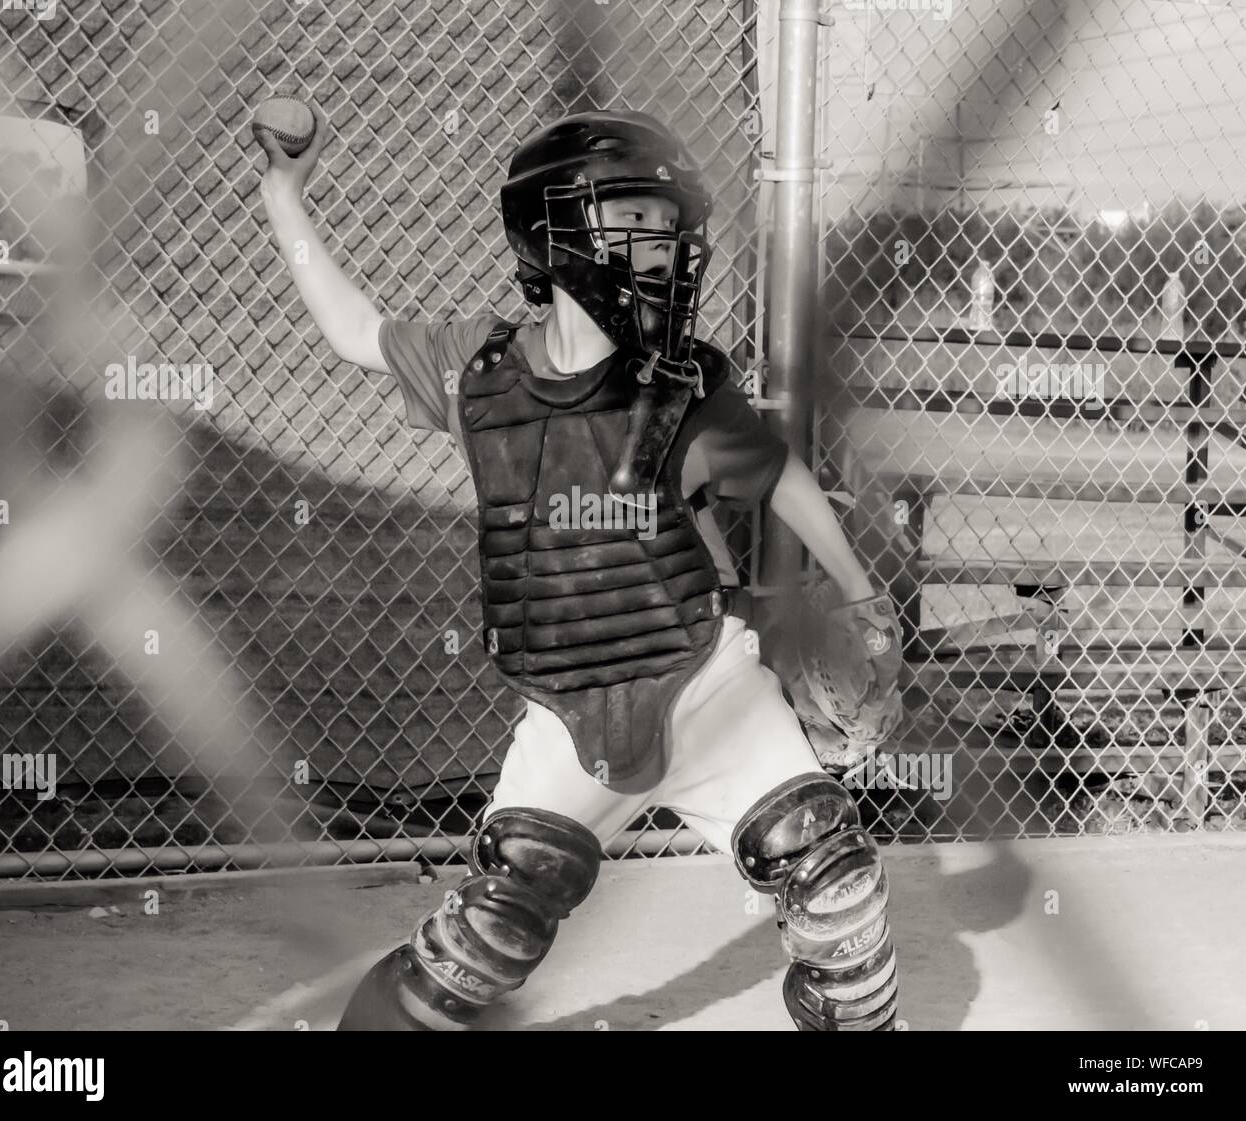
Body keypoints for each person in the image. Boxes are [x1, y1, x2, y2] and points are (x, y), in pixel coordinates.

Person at [256, 107, 900, 1031]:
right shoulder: (477, 373)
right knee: (483, 944)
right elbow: (356, 330)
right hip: (570, 709)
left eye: (670, 227)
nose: (667, 249)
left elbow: (777, 472)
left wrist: (864, 594)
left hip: (704, 681)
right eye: (636, 222)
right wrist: (285, 194)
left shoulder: (682, 388)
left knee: (840, 891)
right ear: (556, 235)